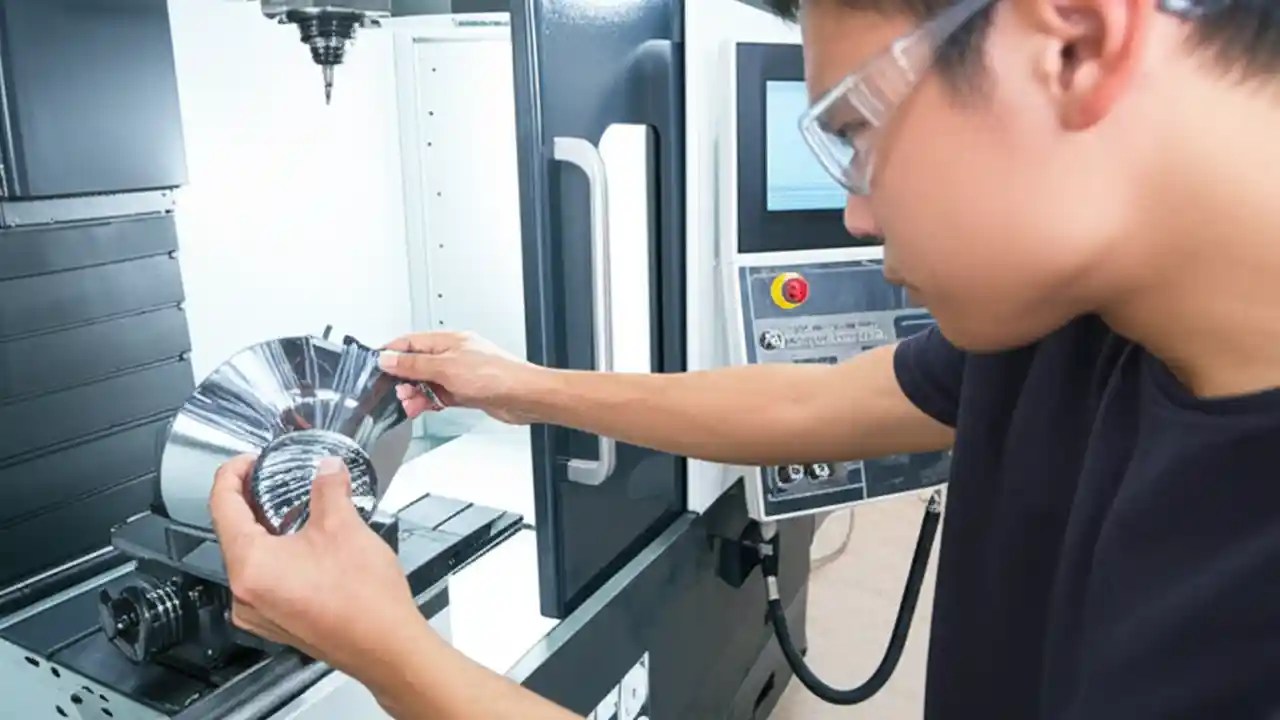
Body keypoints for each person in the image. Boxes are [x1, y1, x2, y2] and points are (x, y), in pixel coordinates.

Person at [209, 0, 1280, 717]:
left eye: (855, 127)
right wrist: (523, 387)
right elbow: (816, 403)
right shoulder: (1072, 317)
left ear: (1073, 41)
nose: (856, 212)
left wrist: (384, 650)